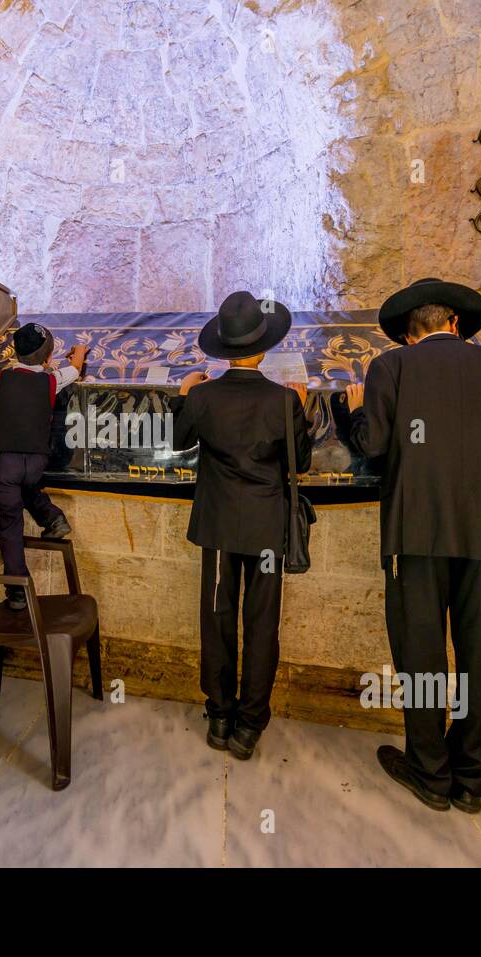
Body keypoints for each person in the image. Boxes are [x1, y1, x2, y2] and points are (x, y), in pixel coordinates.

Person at [346, 278, 481, 814]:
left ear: (408, 335)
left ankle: (429, 769)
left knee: (422, 652)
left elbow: (374, 446)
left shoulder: (391, 368)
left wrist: (353, 411)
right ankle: (470, 775)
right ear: (455, 323)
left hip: (418, 533)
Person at [171, 291, 312, 761]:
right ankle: (250, 724)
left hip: (217, 527)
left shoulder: (205, 396)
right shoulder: (284, 400)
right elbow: (303, 464)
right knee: (261, 622)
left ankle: (219, 715)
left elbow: (179, 441)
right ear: (263, 347)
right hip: (267, 528)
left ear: (223, 349)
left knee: (217, 618)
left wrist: (184, 394)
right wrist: (302, 412)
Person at [0, 322, 87, 610]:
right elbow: (76, 369)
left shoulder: (0, 378)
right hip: (36, 461)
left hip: (5, 462)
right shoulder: (52, 379)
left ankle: (17, 593)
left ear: (15, 352)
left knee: (10, 525)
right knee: (28, 487)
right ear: (48, 358)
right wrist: (79, 352)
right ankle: (53, 518)